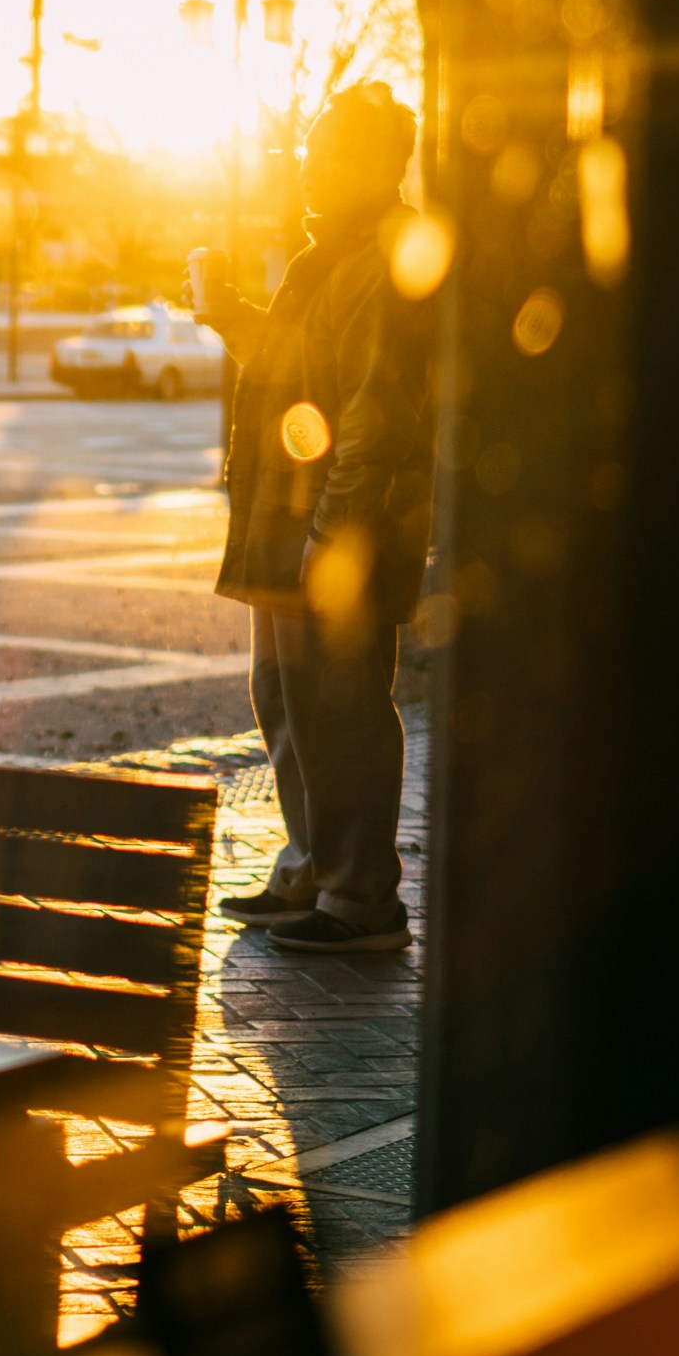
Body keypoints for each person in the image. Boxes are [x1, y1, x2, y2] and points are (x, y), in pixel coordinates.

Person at [190, 81, 436, 954]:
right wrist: (225, 311)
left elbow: (378, 410)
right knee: (285, 697)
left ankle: (360, 896)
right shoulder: (326, 255)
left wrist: (335, 530)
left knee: (343, 706)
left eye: (327, 153)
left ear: (374, 163)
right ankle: (311, 867)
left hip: (336, 525)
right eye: (309, 151)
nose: (309, 167)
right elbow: (299, 372)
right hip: (289, 516)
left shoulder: (389, 255)